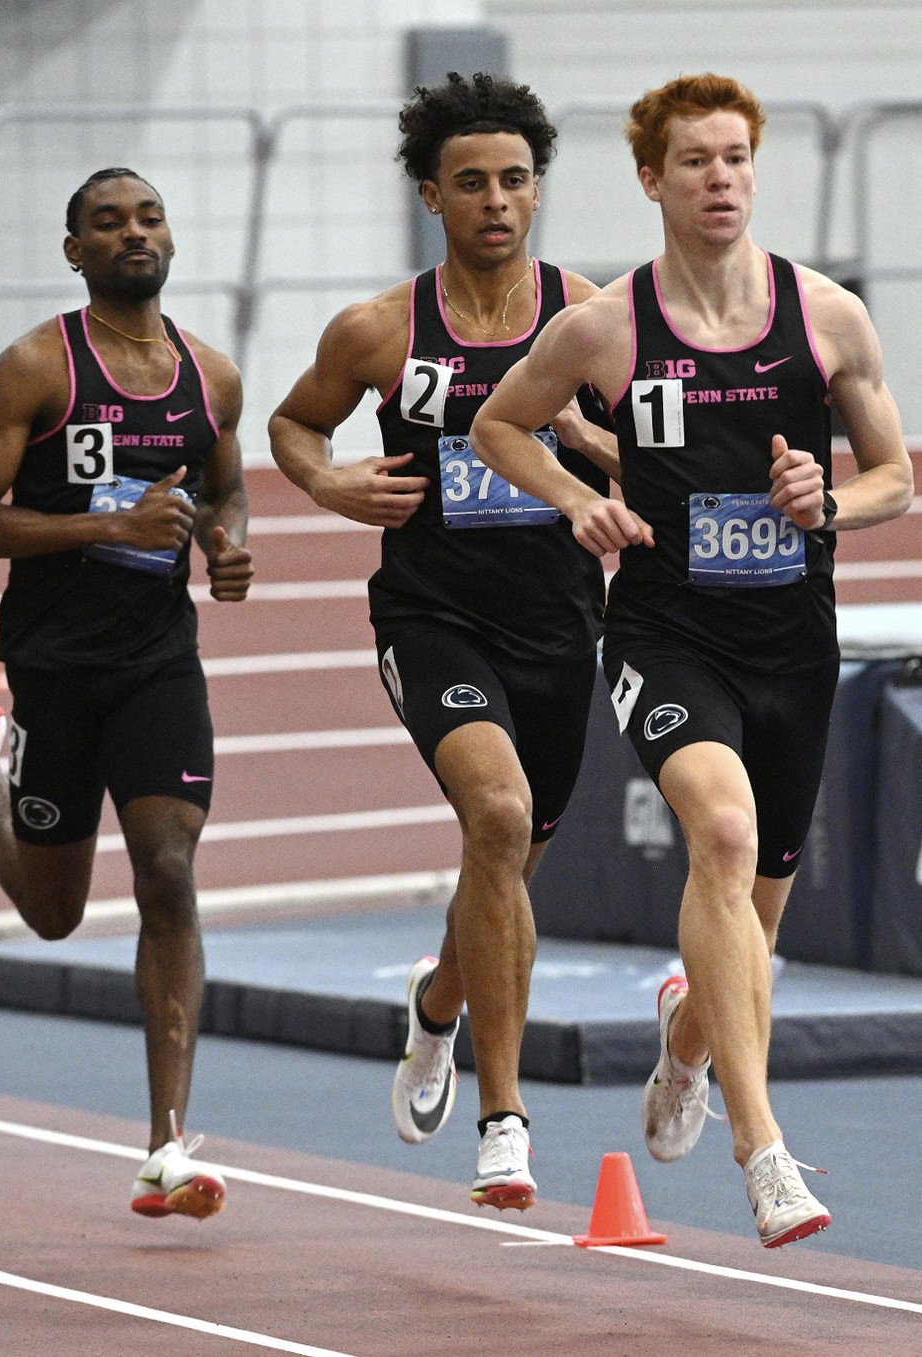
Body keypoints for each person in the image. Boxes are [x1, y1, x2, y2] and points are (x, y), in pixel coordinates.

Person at [471, 72, 913, 1247]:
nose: (721, 179)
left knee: (754, 919)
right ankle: (762, 1151)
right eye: (698, 161)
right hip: (668, 634)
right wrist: (576, 498)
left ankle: (687, 1043)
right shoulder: (608, 326)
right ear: (653, 179)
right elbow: (497, 424)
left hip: (792, 642)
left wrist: (828, 502)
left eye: (737, 158)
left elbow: (897, 479)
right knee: (717, 834)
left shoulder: (826, 317)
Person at [268, 73, 618, 1212]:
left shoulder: (592, 320)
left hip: (561, 625)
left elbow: (655, 463)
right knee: (500, 817)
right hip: (433, 618)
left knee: (508, 859)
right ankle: (504, 1118)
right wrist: (328, 479)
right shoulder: (381, 329)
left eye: (516, 180)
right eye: (472, 183)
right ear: (433, 195)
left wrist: (583, 448)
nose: (498, 202)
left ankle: (436, 1007)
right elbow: (293, 419)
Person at [0, 167, 252, 1221]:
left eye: (148, 216)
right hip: (56, 668)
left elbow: (226, 482)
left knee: (167, 870)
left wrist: (226, 544)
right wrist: (106, 527)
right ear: (77, 251)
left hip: (159, 663)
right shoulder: (35, 369)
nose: (132, 233)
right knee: (54, 915)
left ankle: (166, 1143)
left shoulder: (212, 375)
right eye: (107, 222)